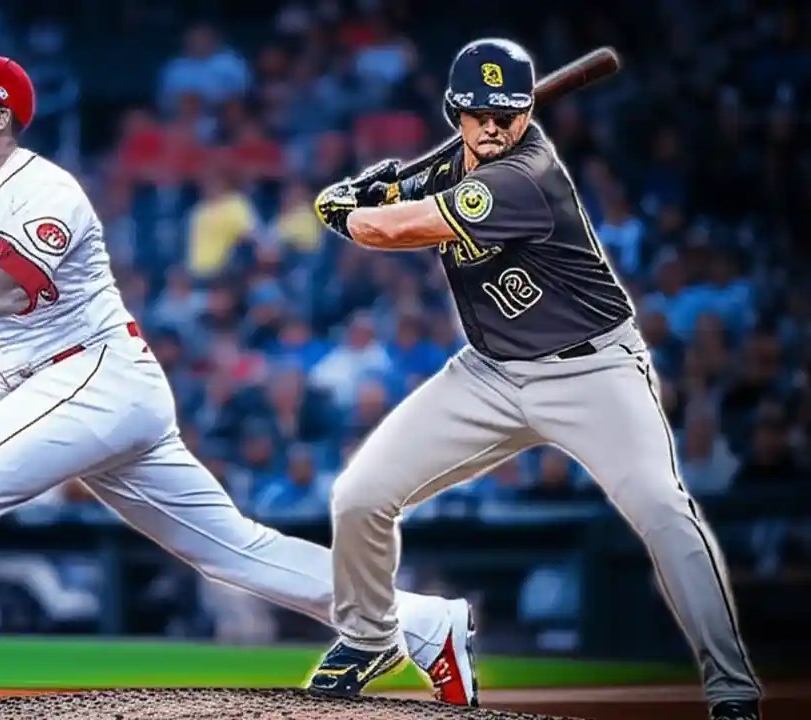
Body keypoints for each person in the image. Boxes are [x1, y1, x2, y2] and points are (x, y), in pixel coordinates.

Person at [0, 52, 478, 720]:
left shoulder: (47, 189)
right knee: (234, 551)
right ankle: (421, 622)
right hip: (79, 394)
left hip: (94, 377)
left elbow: (13, 287)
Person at [304, 38, 763, 720]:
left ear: (526, 115)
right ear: (455, 112)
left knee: (663, 509)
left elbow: (400, 229)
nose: (495, 126)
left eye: (509, 113)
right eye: (479, 112)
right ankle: (370, 636)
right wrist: (385, 185)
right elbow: (409, 198)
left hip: (592, 371)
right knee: (359, 497)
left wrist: (350, 211)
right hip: (490, 373)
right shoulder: (456, 165)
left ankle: (732, 690)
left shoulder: (528, 174)